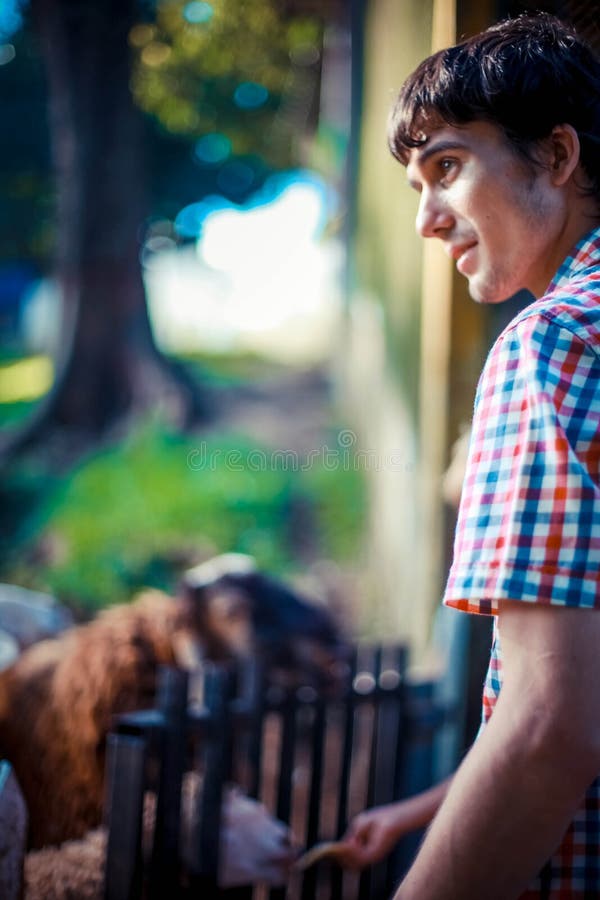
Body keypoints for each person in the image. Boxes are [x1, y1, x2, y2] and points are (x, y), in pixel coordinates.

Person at [336, 13, 600, 899]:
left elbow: (548, 729)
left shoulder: (553, 345)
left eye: (447, 166)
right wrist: (426, 812)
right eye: (414, 184)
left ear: (556, 158)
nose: (425, 220)